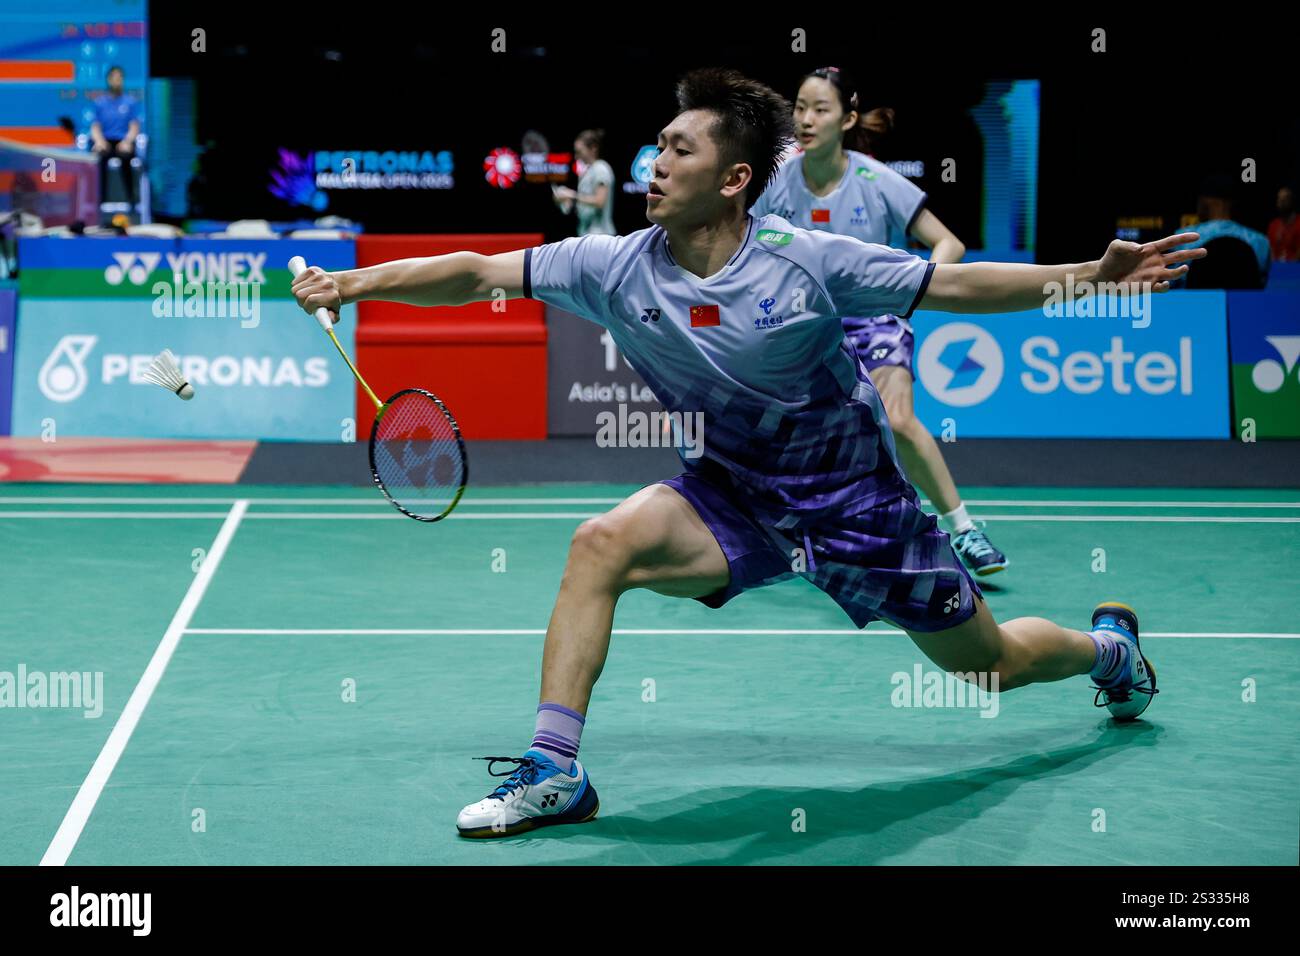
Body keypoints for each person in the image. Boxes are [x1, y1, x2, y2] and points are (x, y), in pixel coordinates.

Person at [293, 68, 1194, 838]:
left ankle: (1108, 652)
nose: (656, 163)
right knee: (598, 544)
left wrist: (1087, 276)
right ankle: (554, 770)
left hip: (857, 505)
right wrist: (354, 282)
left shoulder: (805, 259)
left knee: (986, 664)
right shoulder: (613, 265)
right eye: (657, 145)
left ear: (733, 179)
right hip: (735, 494)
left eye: (679, 150)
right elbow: (479, 270)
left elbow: (954, 281)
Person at [751, 67, 1006, 575]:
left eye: (819, 109)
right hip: (804, 323)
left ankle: (963, 530)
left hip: (875, 319)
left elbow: (947, 242)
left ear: (846, 119)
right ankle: (792, 530)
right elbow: (744, 241)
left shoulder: (874, 178)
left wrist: (915, 293)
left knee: (898, 418)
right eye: (799, 107)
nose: (805, 119)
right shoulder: (777, 180)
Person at [1176, 174, 1269, 288]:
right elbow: (1263, 287)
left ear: (1205, 202)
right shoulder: (1260, 241)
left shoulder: (1183, 238)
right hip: (1247, 305)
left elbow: (1170, 284)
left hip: (1193, 305)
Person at [89, 65, 140, 208]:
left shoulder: (130, 102)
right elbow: (95, 126)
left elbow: (134, 126)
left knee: (126, 157)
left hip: (123, 141)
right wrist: (99, 141)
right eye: (115, 78)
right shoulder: (100, 103)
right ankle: (99, 200)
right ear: (109, 80)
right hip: (106, 141)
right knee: (99, 158)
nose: (118, 81)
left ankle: (131, 201)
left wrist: (127, 141)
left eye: (120, 78)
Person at [552, 129, 617, 236]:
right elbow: (584, 201)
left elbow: (600, 201)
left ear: (593, 148)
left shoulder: (601, 168)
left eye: (579, 152)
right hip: (587, 234)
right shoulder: (587, 171)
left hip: (601, 237)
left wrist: (572, 196)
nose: (576, 156)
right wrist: (565, 200)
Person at [1267, 184, 1300, 263]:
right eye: (1279, 199)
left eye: (1285, 199)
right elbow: (1270, 251)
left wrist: (1287, 269)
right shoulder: (1273, 225)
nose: (1281, 202)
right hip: (1276, 269)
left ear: (1292, 201)